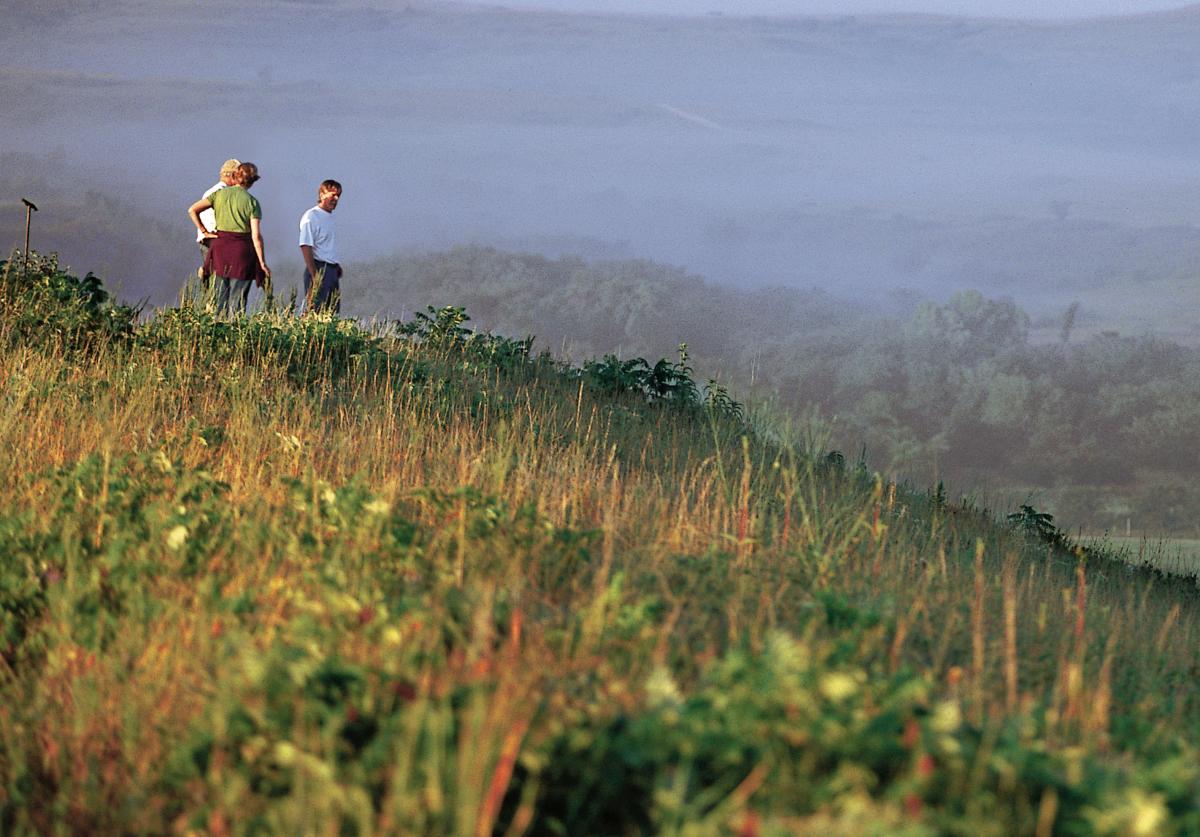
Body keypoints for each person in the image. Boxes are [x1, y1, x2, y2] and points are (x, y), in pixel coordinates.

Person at [187, 162, 271, 315]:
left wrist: (204, 231)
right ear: (252, 181)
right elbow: (256, 236)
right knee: (238, 300)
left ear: (235, 176)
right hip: (242, 251)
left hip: (220, 249)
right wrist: (262, 262)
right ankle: (236, 331)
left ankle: (217, 331)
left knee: (219, 296)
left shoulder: (219, 194)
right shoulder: (252, 202)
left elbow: (192, 210)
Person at [192, 158, 241, 292]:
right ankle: (218, 310)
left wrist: (203, 232)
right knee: (222, 283)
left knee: (215, 282)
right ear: (232, 175)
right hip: (217, 240)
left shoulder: (210, 191)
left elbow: (195, 211)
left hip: (206, 240)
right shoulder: (225, 193)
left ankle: (209, 303)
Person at [298, 180, 343, 314]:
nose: (335, 199)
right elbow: (305, 245)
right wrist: (314, 274)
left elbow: (327, 244)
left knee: (332, 313)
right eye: (332, 195)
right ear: (322, 194)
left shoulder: (329, 217)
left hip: (331, 270)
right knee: (316, 312)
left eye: (338, 196)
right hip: (319, 268)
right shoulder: (312, 216)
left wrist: (335, 265)